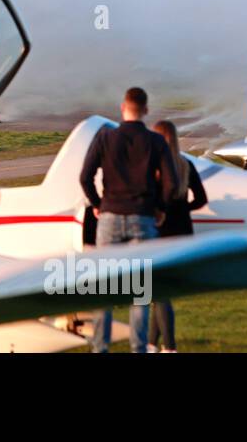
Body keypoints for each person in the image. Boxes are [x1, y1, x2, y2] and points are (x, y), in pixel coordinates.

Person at [79, 87, 178, 353]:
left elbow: (85, 177)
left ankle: (100, 347)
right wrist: (160, 207)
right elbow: (171, 183)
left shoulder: (105, 137)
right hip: (142, 216)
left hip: (110, 215)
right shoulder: (155, 142)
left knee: (104, 287)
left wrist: (98, 204)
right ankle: (138, 347)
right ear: (146, 110)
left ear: (123, 108)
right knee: (140, 291)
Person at [147, 119, 208, 353]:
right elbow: (201, 199)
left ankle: (169, 347)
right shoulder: (185, 165)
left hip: (160, 230)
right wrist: (184, 209)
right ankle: (150, 345)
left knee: (158, 292)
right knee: (158, 291)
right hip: (183, 231)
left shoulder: (154, 167)